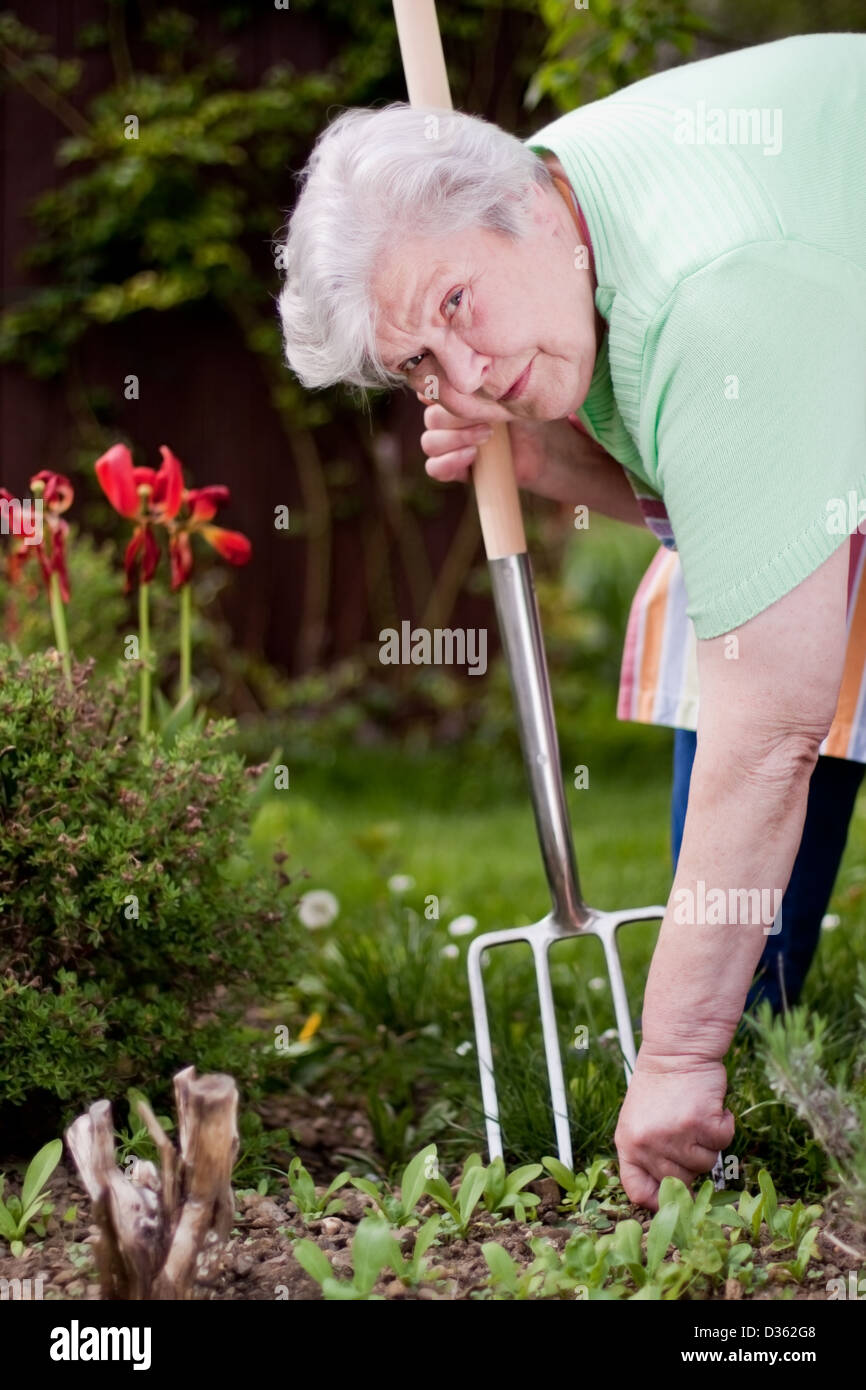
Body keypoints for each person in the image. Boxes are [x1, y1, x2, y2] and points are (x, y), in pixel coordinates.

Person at [277, 32, 866, 1209]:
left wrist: (671, 1056)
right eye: (418, 366)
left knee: (763, 680)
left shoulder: (717, 290)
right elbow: (699, 494)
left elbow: (765, 735)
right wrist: (548, 458)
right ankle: (758, 1022)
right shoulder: (547, 202)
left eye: (456, 306)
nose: (467, 378)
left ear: (526, 216)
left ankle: (720, 1044)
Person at [618, 540, 866, 1016]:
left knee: (816, 731)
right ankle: (728, 1002)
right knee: (722, 726)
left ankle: (750, 1007)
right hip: (735, 547)